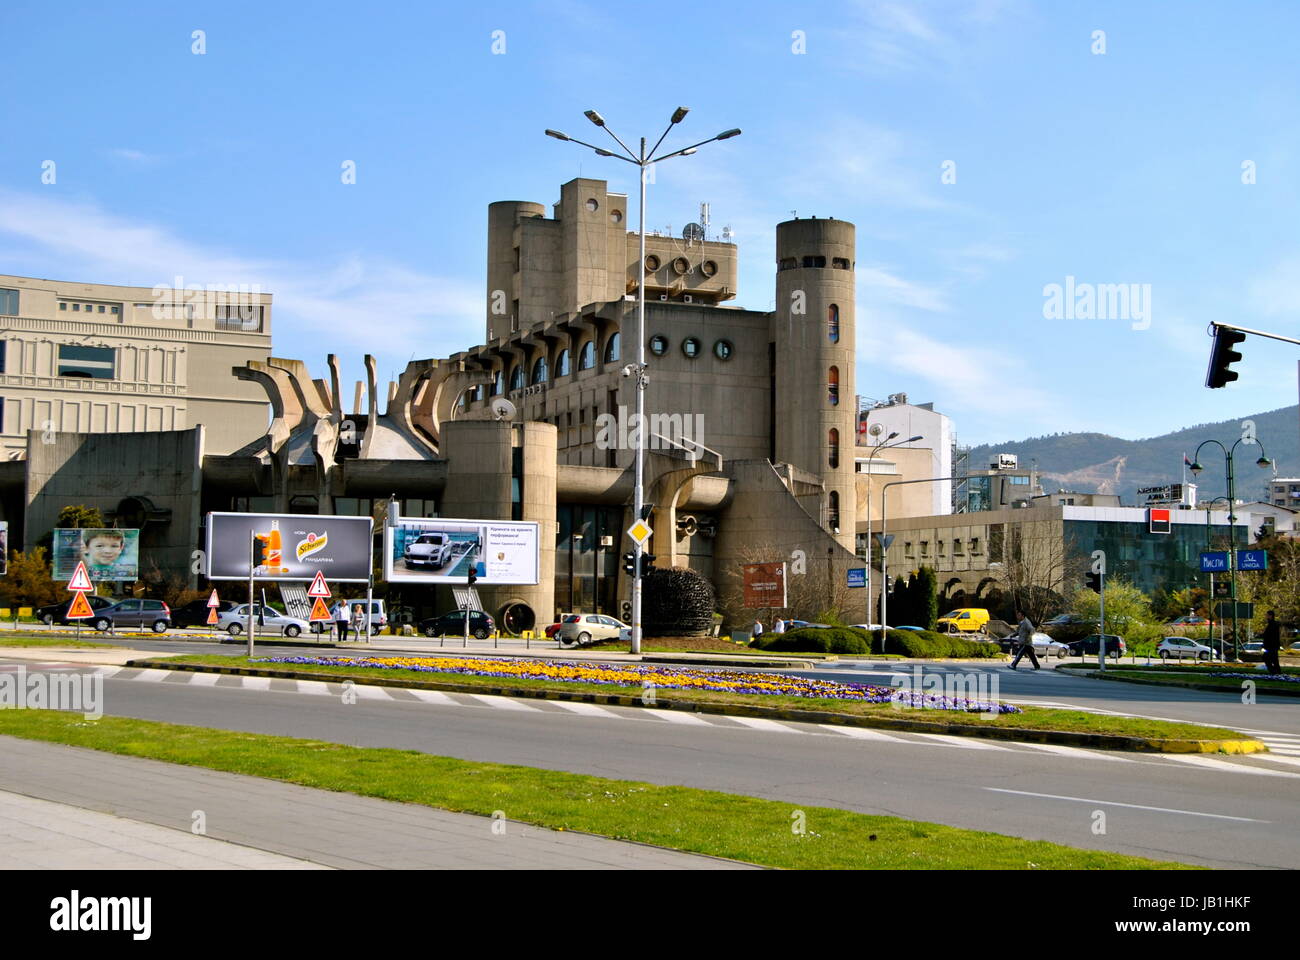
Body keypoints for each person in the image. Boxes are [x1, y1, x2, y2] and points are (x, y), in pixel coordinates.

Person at [1262, 609, 1283, 676]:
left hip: (1272, 646)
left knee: (1267, 658)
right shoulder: (1271, 624)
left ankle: (1275, 672)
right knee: (1274, 660)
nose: (1266, 616)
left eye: (1267, 615)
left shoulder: (1273, 624)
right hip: (1271, 646)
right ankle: (1277, 672)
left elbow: (1271, 636)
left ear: (1271, 616)